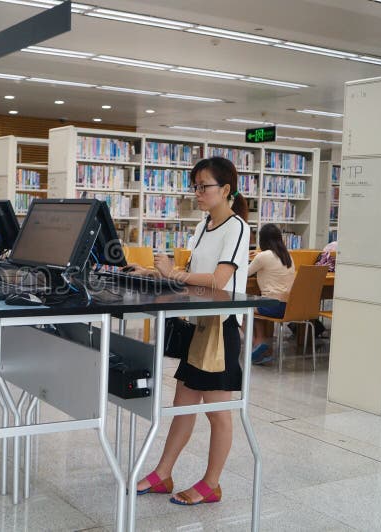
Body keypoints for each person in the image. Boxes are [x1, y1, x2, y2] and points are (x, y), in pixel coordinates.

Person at [129, 156, 250, 506]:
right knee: (182, 405)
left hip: (220, 330)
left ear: (226, 189)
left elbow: (218, 280)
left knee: (217, 412)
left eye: (204, 186)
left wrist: (174, 275)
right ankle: (163, 473)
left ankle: (212, 483)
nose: (197, 192)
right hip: (198, 325)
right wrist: (153, 273)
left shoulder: (237, 227)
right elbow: (191, 273)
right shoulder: (202, 226)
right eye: (195, 186)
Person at [248, 223, 296, 364]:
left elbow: (244, 273)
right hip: (288, 307)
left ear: (262, 240)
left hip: (272, 305)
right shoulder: (288, 256)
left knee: (239, 309)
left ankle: (257, 345)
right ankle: (260, 346)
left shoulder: (263, 257)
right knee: (256, 308)